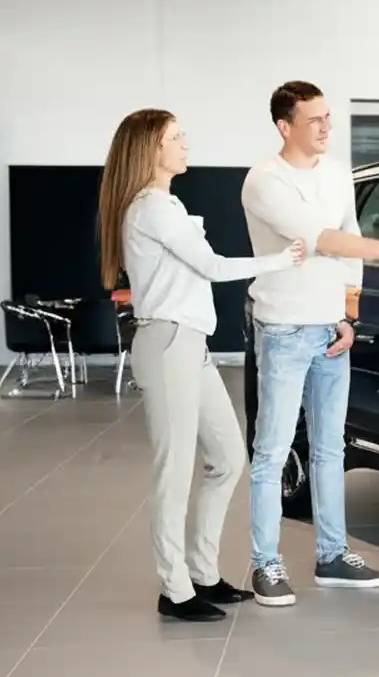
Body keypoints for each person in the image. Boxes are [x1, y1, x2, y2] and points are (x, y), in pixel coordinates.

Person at [96, 108, 306, 622]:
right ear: (151, 150)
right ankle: (175, 589)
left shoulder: (165, 205)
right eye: (176, 137)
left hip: (191, 345)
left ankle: (203, 573)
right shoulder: (153, 208)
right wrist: (281, 260)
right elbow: (211, 267)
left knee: (229, 457)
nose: (186, 144)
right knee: (173, 470)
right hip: (168, 344)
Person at [240, 81, 379, 607]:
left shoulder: (337, 171)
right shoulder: (263, 182)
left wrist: (348, 314)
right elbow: (322, 239)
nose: (326, 127)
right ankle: (265, 563)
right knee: (272, 452)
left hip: (328, 328)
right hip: (283, 329)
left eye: (328, 117)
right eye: (314, 120)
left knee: (330, 448)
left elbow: (347, 246)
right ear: (285, 126)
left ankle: (332, 556)